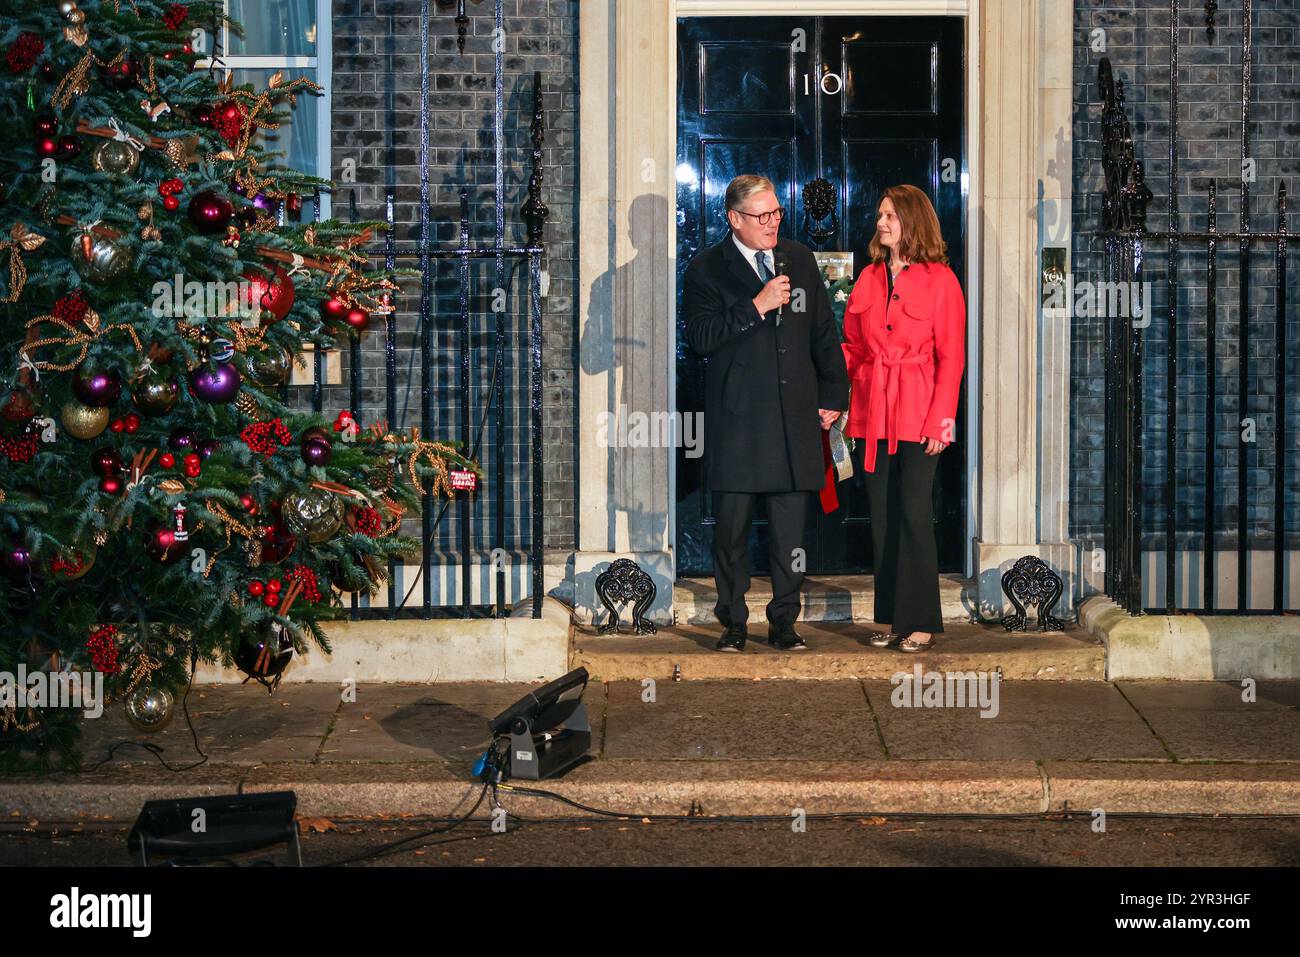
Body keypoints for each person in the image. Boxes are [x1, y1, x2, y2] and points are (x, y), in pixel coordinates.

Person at [682, 174, 849, 652]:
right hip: (738, 420)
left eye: (776, 212)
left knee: (789, 535)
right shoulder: (706, 269)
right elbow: (701, 338)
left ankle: (783, 622)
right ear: (734, 219)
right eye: (762, 215)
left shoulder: (797, 259)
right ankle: (733, 623)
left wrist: (834, 393)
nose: (773, 222)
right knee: (730, 535)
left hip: (794, 417)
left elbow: (823, 331)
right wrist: (756, 306)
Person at [840, 185, 966, 653]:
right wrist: (840, 399)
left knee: (914, 514)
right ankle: (894, 618)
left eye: (890, 215)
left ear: (913, 220)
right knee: (883, 517)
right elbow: (852, 347)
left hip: (919, 416)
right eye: (880, 214)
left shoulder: (941, 281)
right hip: (872, 415)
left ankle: (921, 621)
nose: (881, 222)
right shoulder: (869, 278)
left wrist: (942, 422)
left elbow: (951, 358)